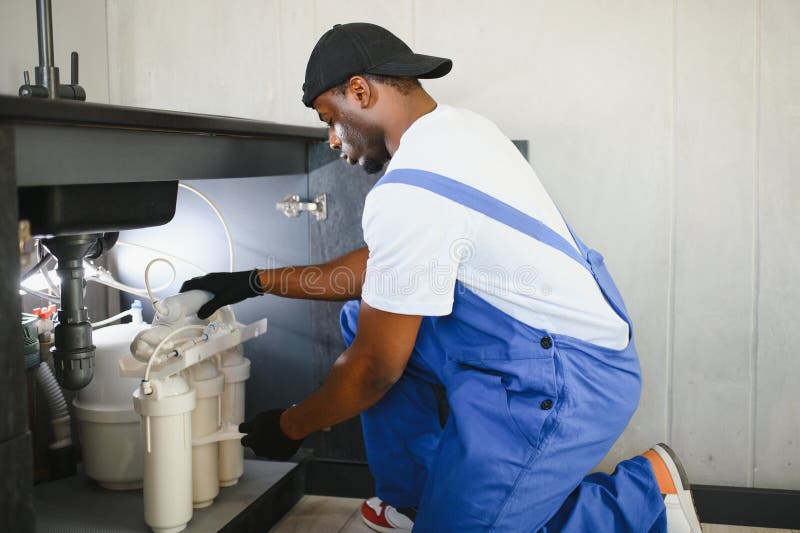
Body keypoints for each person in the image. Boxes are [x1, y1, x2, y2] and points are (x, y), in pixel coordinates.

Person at [180, 23, 703, 533]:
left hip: (567, 377)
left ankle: (645, 495)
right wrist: (255, 281)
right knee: (365, 313)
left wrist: (289, 426)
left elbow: (372, 371)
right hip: (543, 345)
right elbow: (385, 269)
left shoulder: (412, 188)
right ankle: (414, 500)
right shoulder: (460, 131)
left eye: (329, 118)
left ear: (358, 91)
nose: (332, 139)